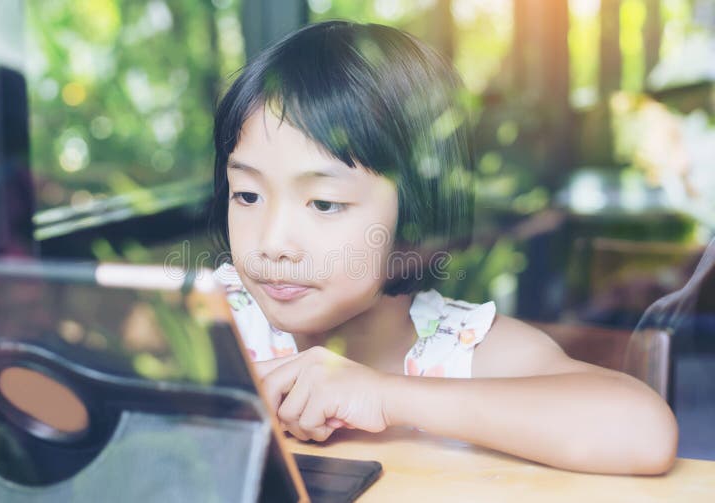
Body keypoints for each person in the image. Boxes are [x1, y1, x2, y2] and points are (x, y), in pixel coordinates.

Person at [208, 20, 677, 475]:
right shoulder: (210, 324)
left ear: (417, 218)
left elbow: (644, 432)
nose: (271, 242)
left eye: (325, 203)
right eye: (247, 195)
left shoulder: (461, 350)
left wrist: (383, 395)